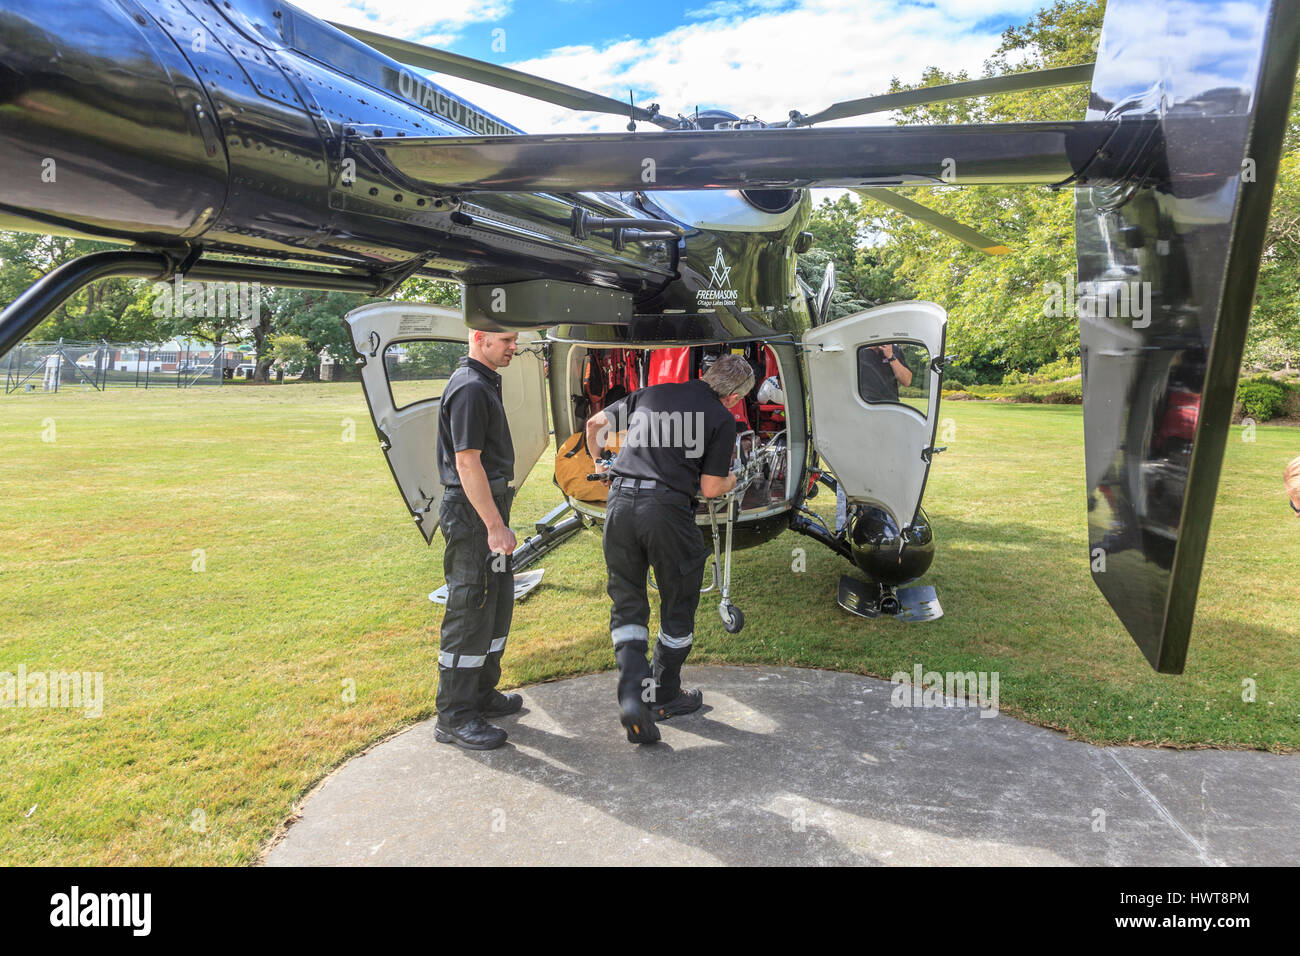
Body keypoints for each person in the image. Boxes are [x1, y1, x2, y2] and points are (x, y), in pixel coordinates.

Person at [585, 353, 755, 744]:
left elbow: (596, 423)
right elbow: (711, 488)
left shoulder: (652, 392)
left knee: (627, 604)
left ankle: (632, 696)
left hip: (620, 504)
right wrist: (732, 479)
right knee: (678, 602)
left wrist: (604, 461)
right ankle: (663, 693)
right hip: (665, 511)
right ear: (733, 398)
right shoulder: (721, 418)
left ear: (704, 374)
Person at [433, 328, 521, 751]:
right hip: (473, 517)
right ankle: (454, 715)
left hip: (488, 508)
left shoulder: (484, 381)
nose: (513, 347)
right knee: (470, 607)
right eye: (505, 339)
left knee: (497, 603)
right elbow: (467, 464)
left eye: (514, 339)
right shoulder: (469, 387)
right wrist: (493, 525)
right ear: (479, 337)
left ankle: (482, 694)